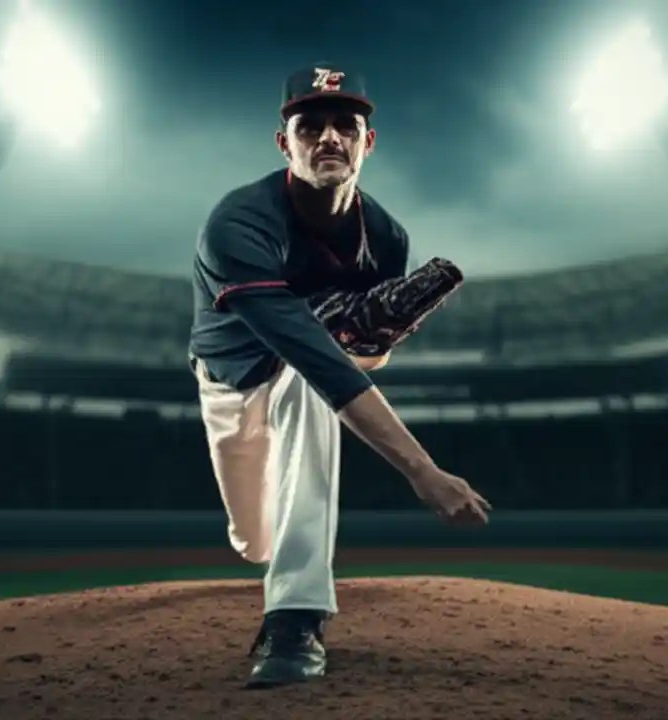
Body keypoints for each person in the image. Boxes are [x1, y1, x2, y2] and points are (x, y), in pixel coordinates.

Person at [187, 63, 491, 689]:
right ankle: (265, 553)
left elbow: (354, 359)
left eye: (345, 125)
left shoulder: (386, 239)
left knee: (310, 384)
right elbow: (320, 354)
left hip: (302, 381)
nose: (329, 137)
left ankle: (295, 619)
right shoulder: (237, 223)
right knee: (253, 539)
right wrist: (421, 469)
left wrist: (373, 344)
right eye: (310, 124)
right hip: (231, 383)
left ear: (367, 142)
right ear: (285, 143)